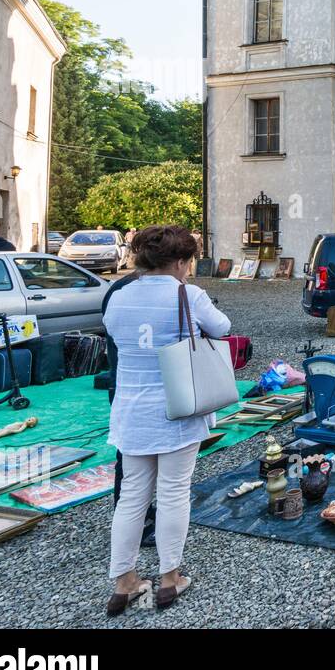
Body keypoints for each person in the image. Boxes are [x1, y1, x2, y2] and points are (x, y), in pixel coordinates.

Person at [103, 225, 231, 615]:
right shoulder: (187, 295)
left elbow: (111, 332)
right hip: (176, 407)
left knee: (131, 497)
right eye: (189, 262)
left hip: (130, 409)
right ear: (179, 262)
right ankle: (170, 577)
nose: (189, 269)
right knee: (174, 491)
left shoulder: (119, 297)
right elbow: (222, 328)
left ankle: (124, 581)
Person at [102, 269, 153, 549]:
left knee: (134, 461)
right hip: (132, 383)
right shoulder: (127, 291)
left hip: (125, 383)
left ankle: (144, 513)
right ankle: (138, 523)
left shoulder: (120, 290)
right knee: (131, 464)